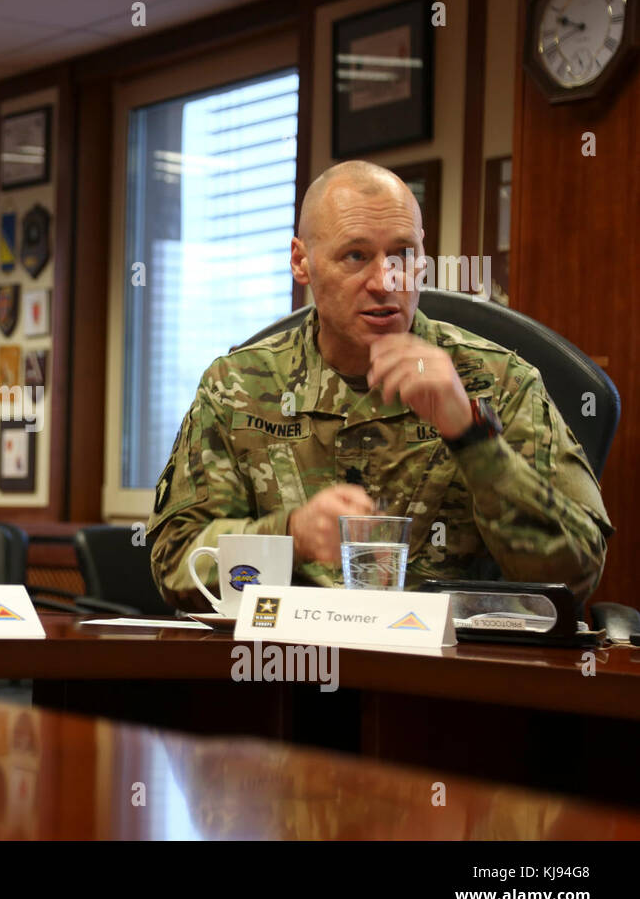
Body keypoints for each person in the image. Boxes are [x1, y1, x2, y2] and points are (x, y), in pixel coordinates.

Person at [148, 160, 611, 612]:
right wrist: (290, 537)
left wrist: (471, 436)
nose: (386, 281)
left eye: (403, 255)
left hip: (452, 672)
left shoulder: (500, 383)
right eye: (356, 256)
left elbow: (576, 574)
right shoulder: (237, 388)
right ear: (301, 261)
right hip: (289, 668)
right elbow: (175, 566)